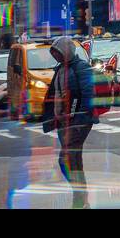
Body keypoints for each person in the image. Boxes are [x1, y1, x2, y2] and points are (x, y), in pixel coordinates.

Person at [43, 36, 95, 208]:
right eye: (54, 53)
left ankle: (80, 196)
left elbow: (89, 94)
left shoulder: (81, 67)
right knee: (73, 160)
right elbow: (55, 94)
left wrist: (80, 119)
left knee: (66, 158)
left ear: (65, 52)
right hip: (64, 122)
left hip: (78, 121)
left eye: (57, 53)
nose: (55, 56)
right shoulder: (60, 69)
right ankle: (81, 199)